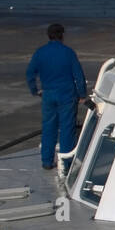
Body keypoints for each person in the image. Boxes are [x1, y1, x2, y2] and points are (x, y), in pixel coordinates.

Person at [26, 23, 87, 170]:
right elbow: (79, 75)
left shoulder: (40, 52)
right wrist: (82, 94)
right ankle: (66, 163)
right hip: (66, 95)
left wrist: (35, 91)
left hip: (48, 94)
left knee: (48, 128)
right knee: (67, 128)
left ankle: (47, 161)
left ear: (48, 35)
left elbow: (30, 74)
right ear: (62, 35)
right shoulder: (68, 52)